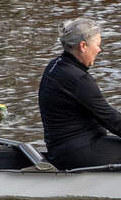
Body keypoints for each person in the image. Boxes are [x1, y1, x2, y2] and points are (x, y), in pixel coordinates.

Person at [37, 17, 121, 170]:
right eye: (97, 45)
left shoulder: (54, 66)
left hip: (62, 149)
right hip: (77, 152)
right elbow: (111, 120)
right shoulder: (78, 79)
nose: (99, 50)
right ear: (83, 46)